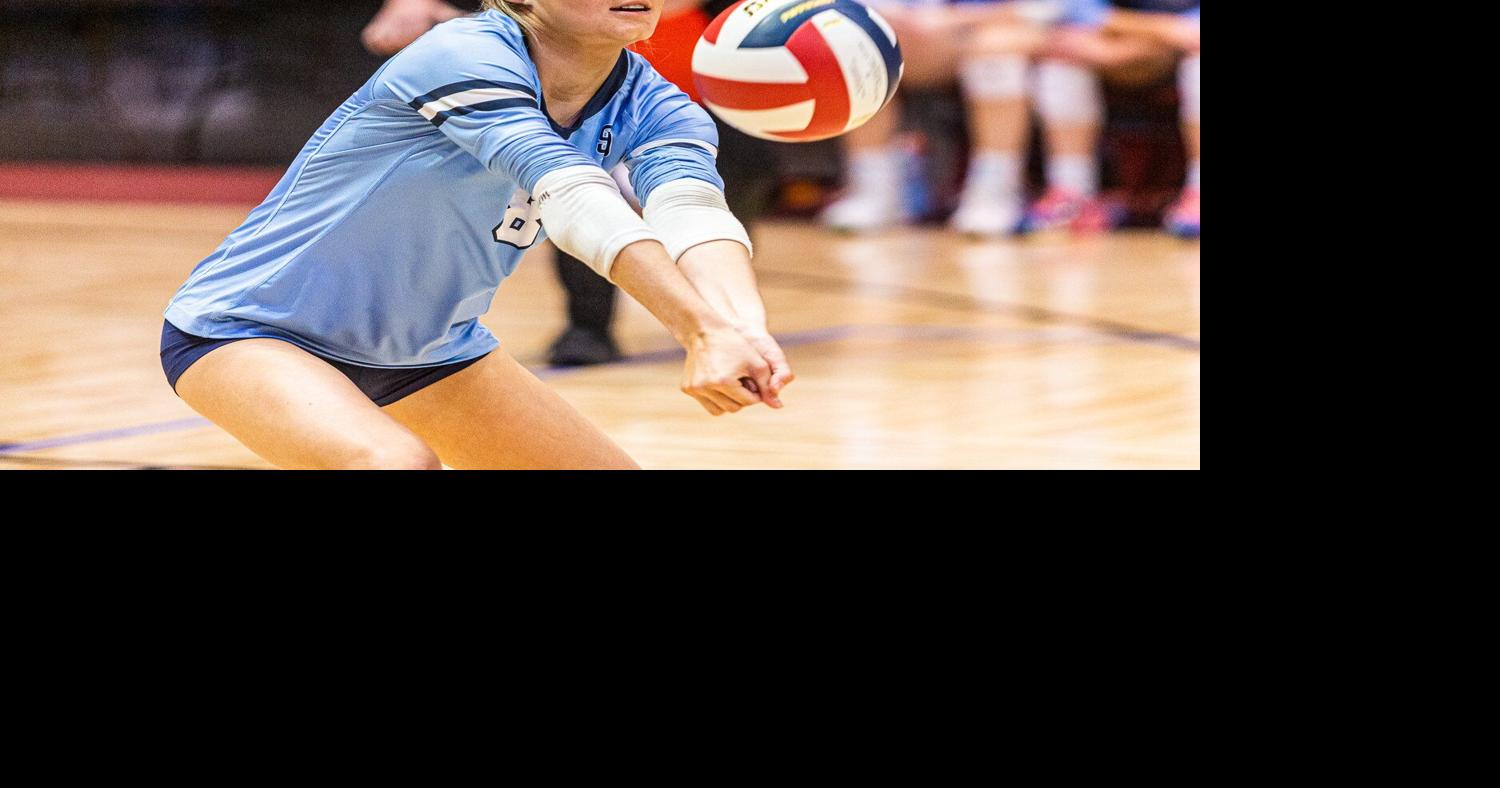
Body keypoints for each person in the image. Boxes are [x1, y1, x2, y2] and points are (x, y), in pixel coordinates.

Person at [160, 1, 794, 470]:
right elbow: (571, 195)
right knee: (390, 464)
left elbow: (695, 214)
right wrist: (700, 330)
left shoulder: (658, 103)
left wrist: (742, 329)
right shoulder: (462, 55)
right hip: (252, 329)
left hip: (429, 351)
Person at [820, 0, 1048, 237]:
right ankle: (875, 191)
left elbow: (1041, 12)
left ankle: (995, 193)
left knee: (996, 49)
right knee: (861, 46)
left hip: (993, 34)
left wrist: (952, 20)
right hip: (922, 39)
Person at [1024, 0, 1199, 236]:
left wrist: (1164, 36)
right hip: (1114, 42)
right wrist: (1156, 32)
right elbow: (1077, 9)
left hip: (1182, 45)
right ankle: (1072, 194)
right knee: (1062, 59)